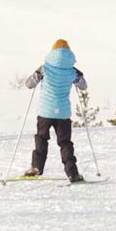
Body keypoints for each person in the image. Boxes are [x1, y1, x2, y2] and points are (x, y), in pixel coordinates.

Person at [24, 39, 87, 182]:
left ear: (53, 51)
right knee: (65, 143)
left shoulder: (45, 68)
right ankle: (72, 173)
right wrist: (78, 77)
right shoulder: (72, 71)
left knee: (41, 138)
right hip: (63, 114)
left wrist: (38, 76)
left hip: (45, 112)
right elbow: (83, 86)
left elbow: (29, 84)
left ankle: (36, 167)